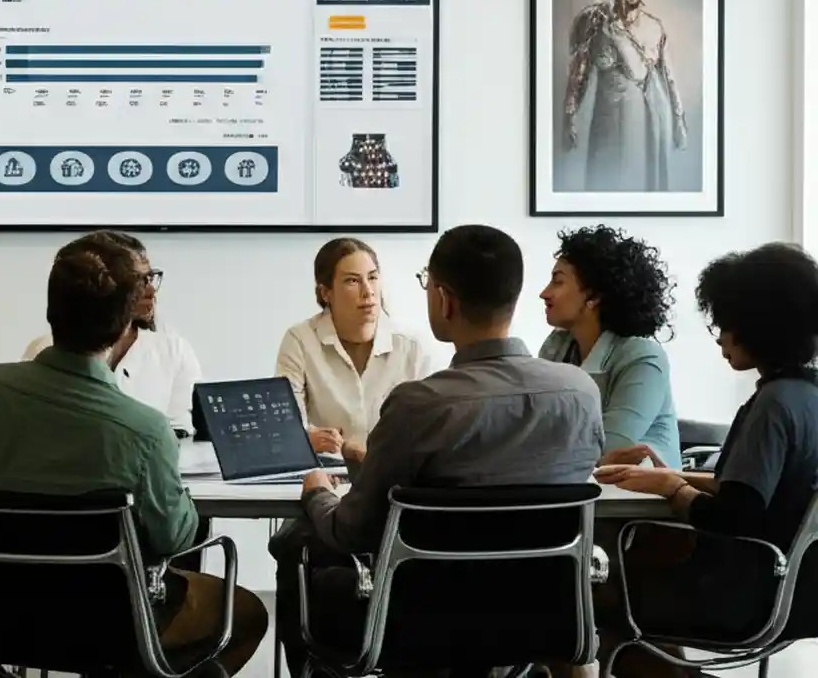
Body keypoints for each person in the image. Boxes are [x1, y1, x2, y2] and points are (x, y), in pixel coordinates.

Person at [272, 225, 605, 675]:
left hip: (419, 624)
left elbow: (352, 531)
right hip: (546, 619)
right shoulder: (580, 393)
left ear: (444, 300)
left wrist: (316, 492)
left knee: (300, 549)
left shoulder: (418, 405)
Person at [0, 232, 268, 675]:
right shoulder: (146, 431)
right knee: (245, 613)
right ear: (123, 323)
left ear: (51, 309)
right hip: (110, 624)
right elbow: (175, 539)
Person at [593, 243, 818, 677]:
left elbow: (736, 513)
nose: (720, 337)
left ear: (758, 326)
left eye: (726, 324)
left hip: (743, 593)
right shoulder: (805, 396)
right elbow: (756, 486)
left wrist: (671, 488)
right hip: (800, 589)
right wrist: (671, 475)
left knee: (593, 592)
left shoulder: (773, 405)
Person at [22, 230, 202, 435]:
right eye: (140, 280)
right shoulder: (44, 350)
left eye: (151, 278)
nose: (150, 290)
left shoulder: (174, 350)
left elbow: (182, 430)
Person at [538, 225, 681, 469]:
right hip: (581, 487)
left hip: (641, 499)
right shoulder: (556, 346)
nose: (544, 293)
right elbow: (539, 429)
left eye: (558, 282)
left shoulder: (644, 357)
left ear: (594, 296)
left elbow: (612, 445)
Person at [276, 238, 431, 455]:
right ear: (325, 293)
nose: (368, 291)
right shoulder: (299, 340)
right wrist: (306, 439)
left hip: (392, 476)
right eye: (352, 281)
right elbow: (285, 428)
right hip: (328, 474)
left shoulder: (410, 346)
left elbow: (427, 431)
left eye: (373, 277)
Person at [563, 0, 687, 192]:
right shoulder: (597, 25)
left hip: (646, 121)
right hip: (607, 122)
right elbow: (579, 75)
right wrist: (569, 116)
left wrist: (679, 119)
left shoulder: (653, 28)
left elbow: (669, 77)